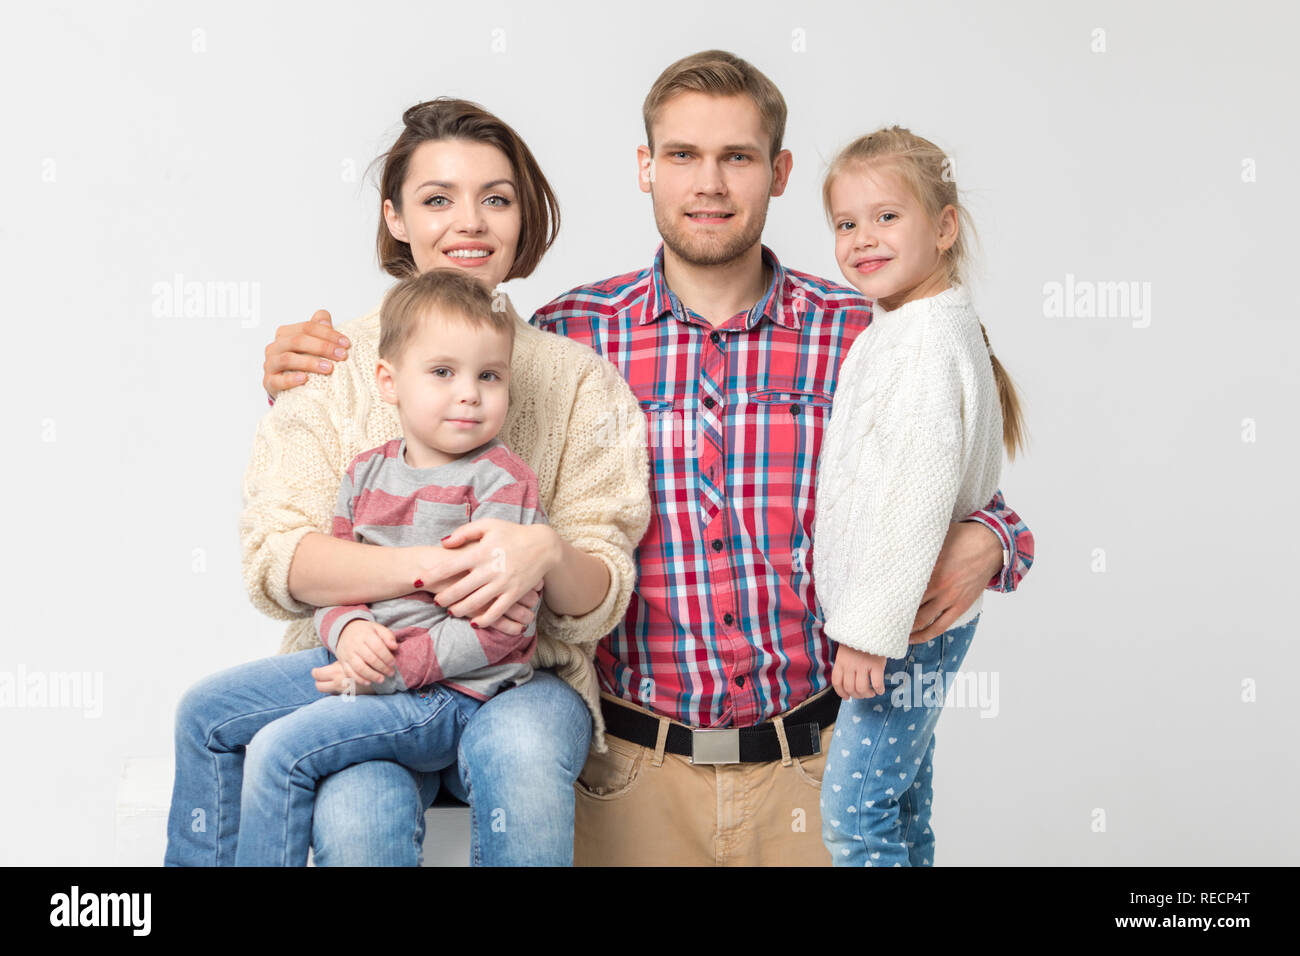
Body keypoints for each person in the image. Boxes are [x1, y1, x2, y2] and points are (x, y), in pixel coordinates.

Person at [267, 51, 1035, 866]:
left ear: (777, 172)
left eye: (736, 157)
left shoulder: (866, 331)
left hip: (816, 773)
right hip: (628, 781)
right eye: (682, 156)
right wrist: (312, 368)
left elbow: (958, 456)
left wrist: (995, 535)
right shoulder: (566, 341)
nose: (708, 184)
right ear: (646, 168)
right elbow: (437, 418)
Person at [166, 99, 651, 867]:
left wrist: (546, 552)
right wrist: (413, 581)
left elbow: (600, 589)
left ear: (524, 218)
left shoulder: (576, 378)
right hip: (354, 667)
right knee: (358, 810)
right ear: (395, 217)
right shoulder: (328, 364)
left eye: (496, 198)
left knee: (522, 754)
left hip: (520, 681)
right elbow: (278, 557)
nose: (470, 223)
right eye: (437, 199)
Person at [231, 268, 549, 865]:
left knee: (276, 750)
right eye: (443, 373)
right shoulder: (364, 474)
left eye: (490, 376)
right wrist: (347, 629)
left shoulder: (504, 483)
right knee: (203, 712)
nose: (469, 393)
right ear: (388, 381)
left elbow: (502, 629)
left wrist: (390, 670)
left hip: (446, 693)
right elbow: (334, 583)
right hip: (364, 669)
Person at [813, 126, 1028, 866]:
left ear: (944, 227)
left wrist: (869, 630)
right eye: (846, 224)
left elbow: (914, 500)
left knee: (856, 815)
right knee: (900, 804)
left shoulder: (926, 343)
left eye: (886, 217)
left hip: (901, 628)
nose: (862, 239)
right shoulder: (900, 328)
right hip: (905, 626)